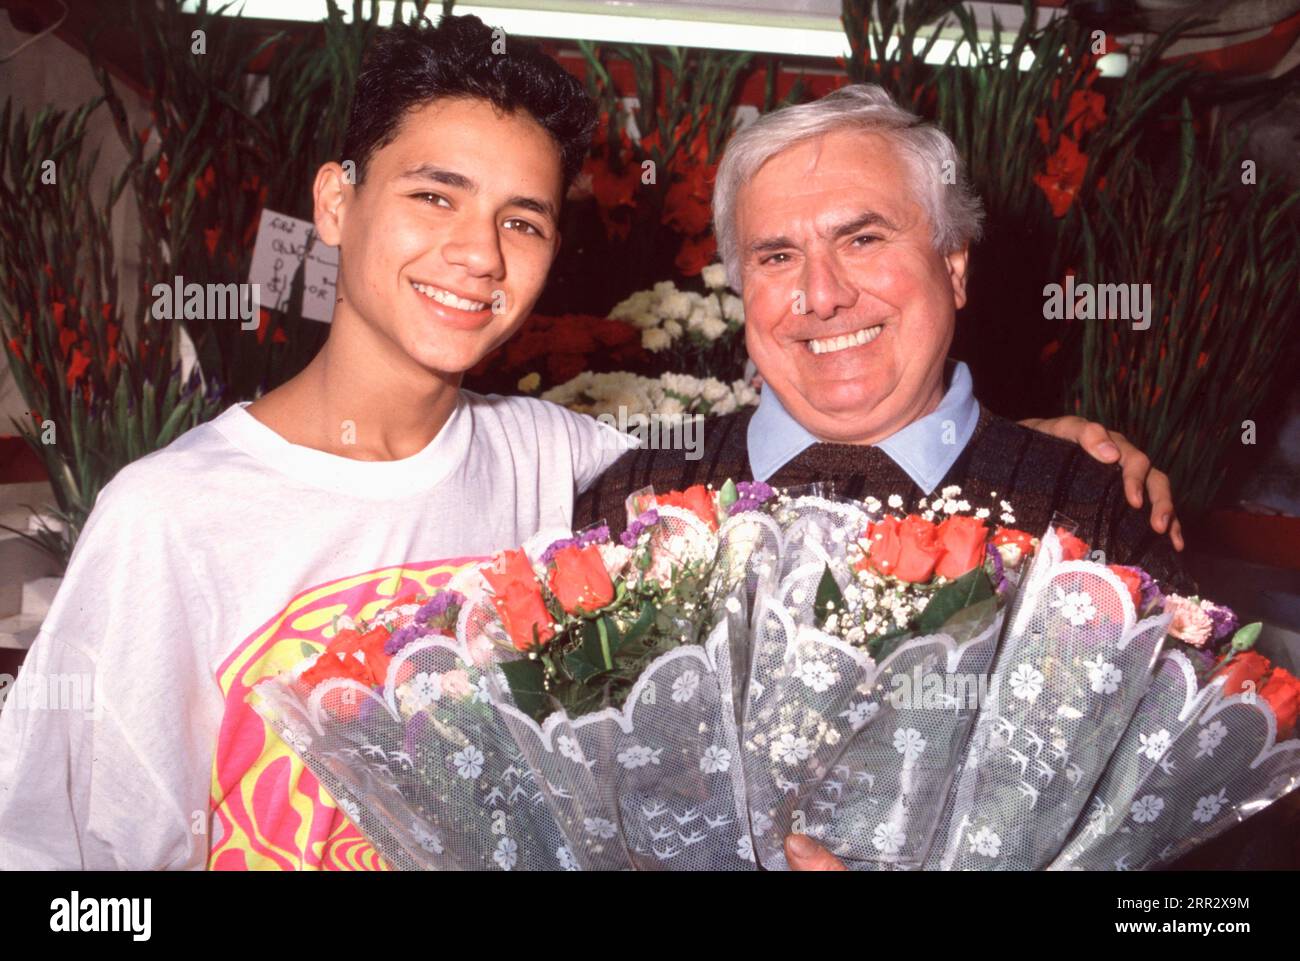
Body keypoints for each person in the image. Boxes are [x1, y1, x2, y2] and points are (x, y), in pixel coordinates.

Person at [0, 18, 1180, 871]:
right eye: (433, 197)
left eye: (520, 219)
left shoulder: (571, 466)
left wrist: (1042, 443)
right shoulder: (172, 513)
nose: (476, 254)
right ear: (336, 202)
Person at [570, 84, 1201, 868]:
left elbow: (1193, 892)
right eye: (776, 256)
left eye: (863, 239)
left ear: (956, 267)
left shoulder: (1093, 516)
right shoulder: (628, 505)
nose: (823, 294)